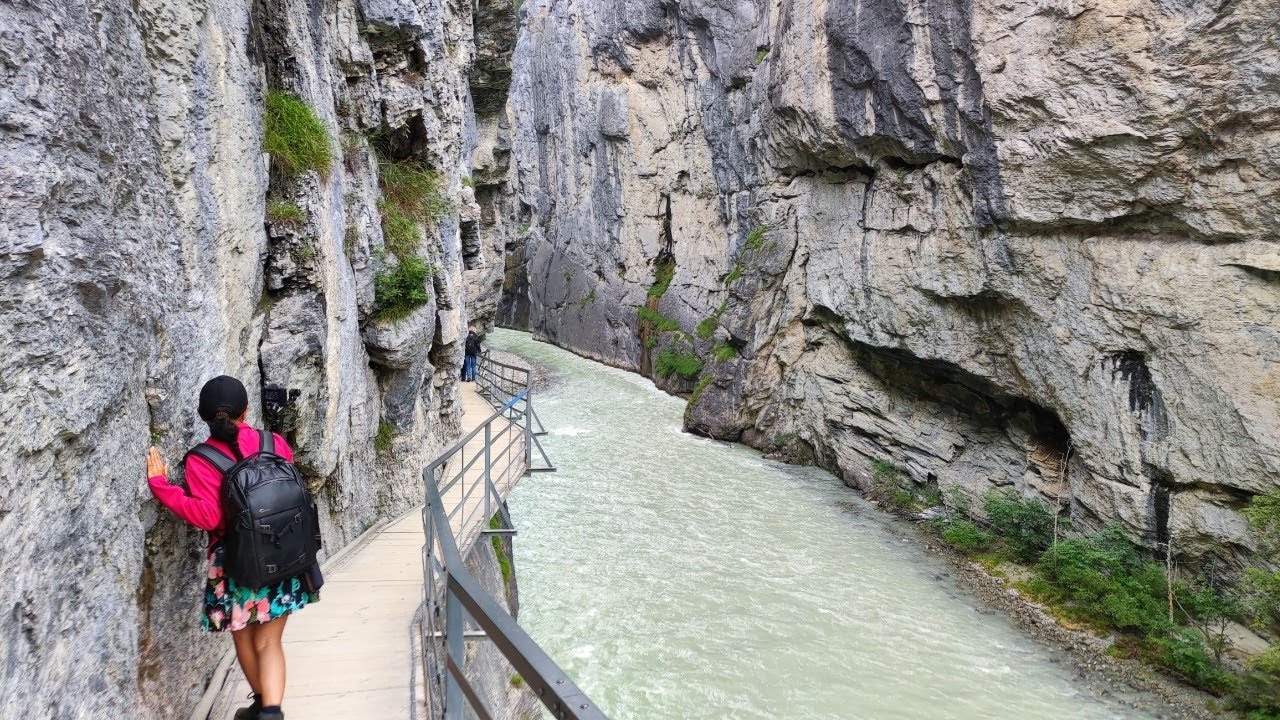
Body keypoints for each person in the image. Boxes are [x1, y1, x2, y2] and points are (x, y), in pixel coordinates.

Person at [147, 376, 315, 720]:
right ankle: (270, 711)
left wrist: (162, 487)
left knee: (243, 636)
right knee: (270, 642)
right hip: (283, 553)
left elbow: (209, 516)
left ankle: (260, 705)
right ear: (247, 409)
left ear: (202, 416)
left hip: (235, 562)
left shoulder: (202, 459)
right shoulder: (275, 443)